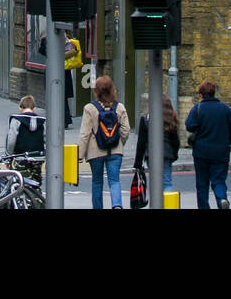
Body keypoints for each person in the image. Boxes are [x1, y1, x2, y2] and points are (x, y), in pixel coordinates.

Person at [77, 75, 130, 210]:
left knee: (97, 182)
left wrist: (80, 155)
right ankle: (117, 205)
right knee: (114, 180)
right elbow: (126, 129)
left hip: (96, 152)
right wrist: (119, 143)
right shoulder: (120, 107)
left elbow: (85, 134)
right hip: (115, 151)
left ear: (96, 91)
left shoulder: (90, 108)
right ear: (112, 89)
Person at [185, 79, 231, 210]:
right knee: (219, 180)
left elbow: (189, 126)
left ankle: (204, 207)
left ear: (201, 94)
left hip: (201, 152)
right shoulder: (225, 109)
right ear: (214, 93)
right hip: (221, 152)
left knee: (202, 184)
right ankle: (222, 200)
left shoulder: (198, 108)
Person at [134, 93, 180, 194]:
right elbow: (175, 141)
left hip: (151, 155)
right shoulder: (170, 118)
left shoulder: (145, 119)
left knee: (155, 184)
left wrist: (138, 162)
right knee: (167, 183)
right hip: (166, 154)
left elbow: (141, 143)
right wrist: (174, 155)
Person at [5, 95, 45, 183]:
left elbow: (11, 140)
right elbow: (46, 140)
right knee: (36, 181)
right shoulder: (42, 121)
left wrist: (8, 157)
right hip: (37, 157)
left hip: (21, 157)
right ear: (34, 108)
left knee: (22, 182)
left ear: (20, 108)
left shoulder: (16, 120)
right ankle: (36, 195)